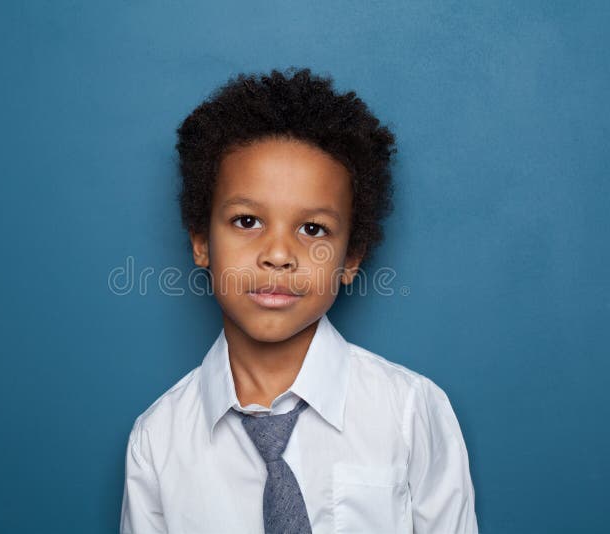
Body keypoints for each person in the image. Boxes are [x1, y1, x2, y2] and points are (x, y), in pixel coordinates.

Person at [119, 67, 478, 534]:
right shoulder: (157, 441)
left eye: (313, 229)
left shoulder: (410, 412)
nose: (278, 255)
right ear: (201, 242)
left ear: (351, 258)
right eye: (247, 221)